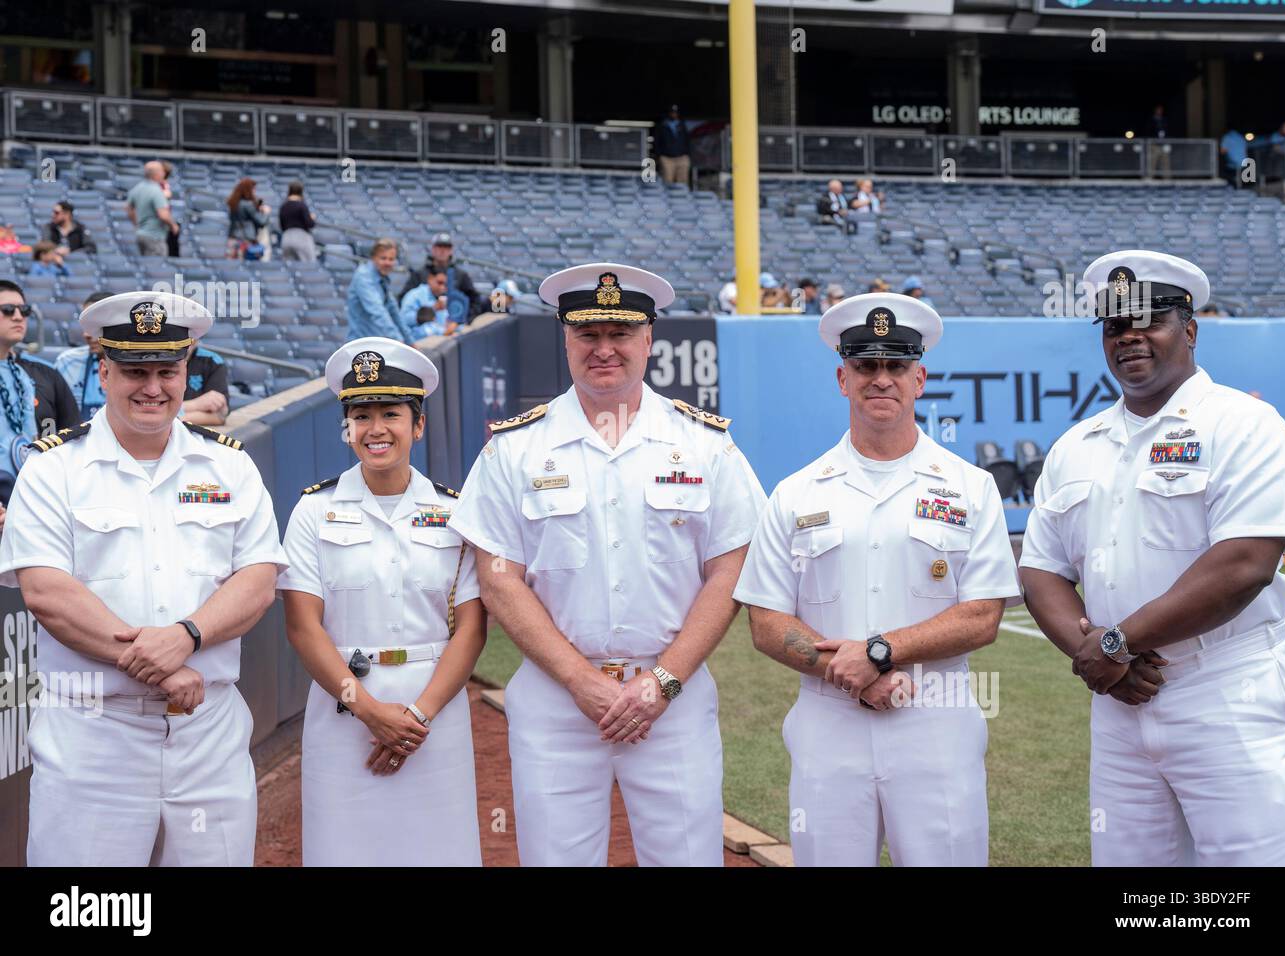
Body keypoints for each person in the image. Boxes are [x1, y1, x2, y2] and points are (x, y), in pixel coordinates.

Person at [449, 262, 767, 866]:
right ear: (565, 340)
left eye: (619, 334)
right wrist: (579, 681)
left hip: (672, 699)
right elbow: (498, 577)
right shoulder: (516, 448)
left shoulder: (703, 443)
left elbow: (732, 567)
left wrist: (664, 681)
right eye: (587, 334)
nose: (604, 349)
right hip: (556, 701)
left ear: (648, 340)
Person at [1019, 250, 1285, 866]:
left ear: (1190, 329)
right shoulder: (1076, 446)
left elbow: (1244, 564)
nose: (1130, 335)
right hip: (1121, 701)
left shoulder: (1246, 425)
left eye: (1150, 319)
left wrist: (1116, 643)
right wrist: (1099, 656)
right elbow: (1041, 569)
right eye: (1115, 325)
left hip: (1226, 692)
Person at [0, 289, 286, 866]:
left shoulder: (229, 465)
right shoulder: (53, 469)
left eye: (167, 370)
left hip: (208, 729)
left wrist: (185, 638)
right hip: (92, 735)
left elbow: (257, 579)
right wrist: (160, 664)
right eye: (134, 370)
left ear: (186, 372)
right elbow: (47, 593)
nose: (152, 387)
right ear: (103, 370)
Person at [734, 292, 1020, 867]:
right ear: (843, 378)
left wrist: (880, 652)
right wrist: (851, 675)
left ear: (920, 378)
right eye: (866, 365)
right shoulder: (796, 492)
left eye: (896, 366)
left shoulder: (969, 487)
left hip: (935, 721)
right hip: (827, 723)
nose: (881, 379)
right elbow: (766, 621)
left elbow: (982, 615)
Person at [280, 337, 486, 866]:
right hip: (344, 710)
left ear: (417, 425)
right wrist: (370, 711)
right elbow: (304, 627)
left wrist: (416, 716)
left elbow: (471, 628)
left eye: (391, 413)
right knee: (344, 852)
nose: (376, 429)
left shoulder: (455, 512)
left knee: (439, 852)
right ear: (346, 428)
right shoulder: (312, 511)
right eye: (361, 415)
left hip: (432, 716)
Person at [0, 280, 81, 516]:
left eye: (24, 311)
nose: (18, 317)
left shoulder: (45, 374)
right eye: (7, 310)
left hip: (36, 503)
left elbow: (73, 440)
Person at [55, 291, 113, 420]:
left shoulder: (135, 365)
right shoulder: (67, 362)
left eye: (94, 325)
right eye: (85, 325)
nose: (86, 334)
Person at [397, 232, 480, 322]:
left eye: (446, 247)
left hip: (454, 325)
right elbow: (404, 301)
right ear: (433, 249)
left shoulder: (461, 275)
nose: (442, 250)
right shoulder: (419, 275)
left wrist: (462, 319)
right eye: (439, 246)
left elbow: (474, 301)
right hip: (425, 326)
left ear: (451, 250)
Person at [347, 238, 415, 345]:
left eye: (391, 259)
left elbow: (394, 312)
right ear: (373, 258)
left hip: (377, 343)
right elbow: (377, 311)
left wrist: (410, 341)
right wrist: (398, 340)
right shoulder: (364, 277)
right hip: (361, 345)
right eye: (383, 258)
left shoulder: (383, 278)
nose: (388, 263)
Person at [125, 160, 177, 257]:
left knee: (147, 266)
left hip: (141, 235)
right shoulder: (156, 191)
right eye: (162, 171)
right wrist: (173, 225)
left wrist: (137, 224)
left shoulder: (137, 188)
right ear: (157, 173)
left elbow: (128, 208)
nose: (163, 174)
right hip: (155, 236)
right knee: (157, 268)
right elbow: (163, 215)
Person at [182, 342, 230, 426]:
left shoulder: (212, 361)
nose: (189, 339)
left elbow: (219, 416)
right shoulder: (155, 360)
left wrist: (172, 419)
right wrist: (195, 404)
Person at [399, 267, 455, 337]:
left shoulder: (444, 298)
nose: (443, 287)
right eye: (440, 283)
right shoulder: (415, 295)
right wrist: (433, 309)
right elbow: (403, 320)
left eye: (446, 284)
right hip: (414, 342)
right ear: (430, 279)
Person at [226, 178, 270, 260]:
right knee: (245, 268)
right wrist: (266, 213)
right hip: (245, 240)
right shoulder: (248, 204)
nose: (254, 191)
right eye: (253, 189)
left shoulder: (233, 203)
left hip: (233, 239)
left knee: (233, 267)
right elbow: (262, 222)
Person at [278, 180, 317, 262]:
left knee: (289, 268)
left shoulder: (283, 206)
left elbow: (282, 226)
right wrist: (312, 218)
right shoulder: (302, 205)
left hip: (286, 238)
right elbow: (310, 224)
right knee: (308, 266)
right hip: (301, 237)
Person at [655, 104, 691, 185]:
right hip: (667, 158)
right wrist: (659, 155)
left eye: (676, 112)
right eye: (672, 112)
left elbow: (688, 141)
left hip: (682, 157)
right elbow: (657, 142)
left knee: (682, 182)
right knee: (668, 181)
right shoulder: (662, 125)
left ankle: (682, 197)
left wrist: (687, 154)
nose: (674, 114)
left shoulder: (682, 125)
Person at [161, 161, 182, 259]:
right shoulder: (155, 186)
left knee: (173, 253)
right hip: (160, 225)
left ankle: (177, 275)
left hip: (166, 224)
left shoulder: (165, 185)